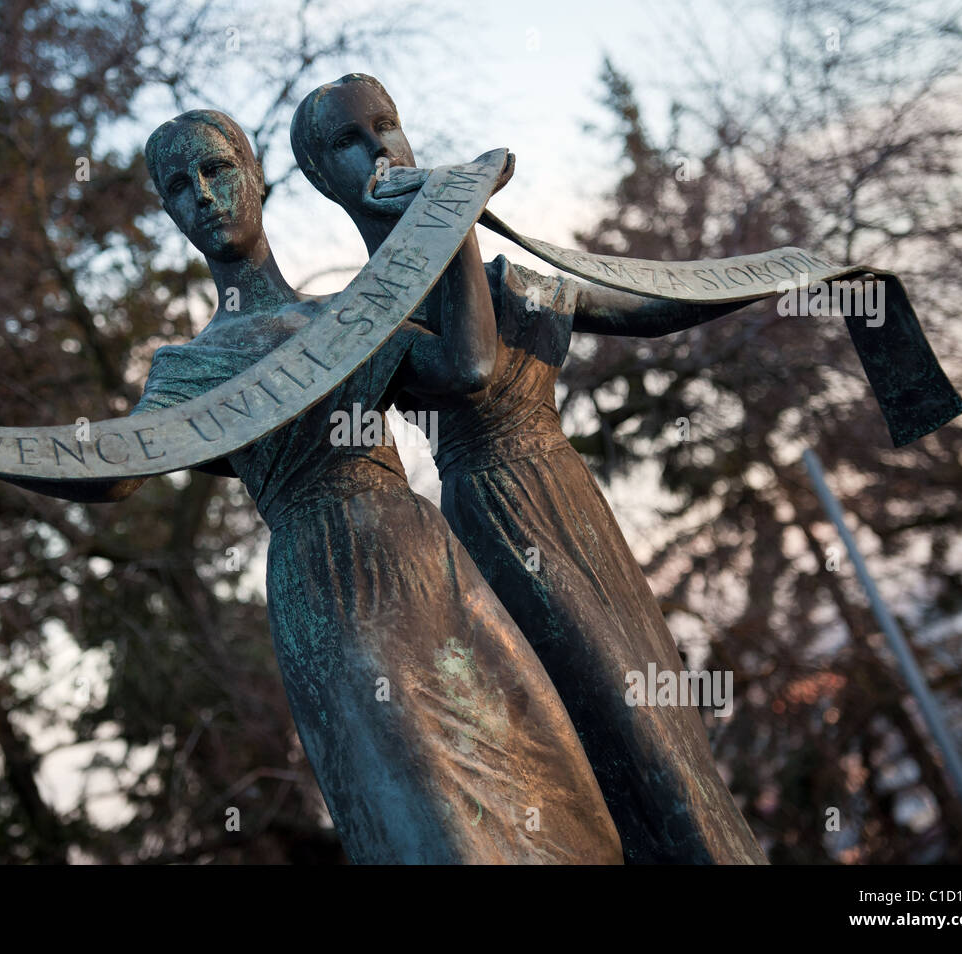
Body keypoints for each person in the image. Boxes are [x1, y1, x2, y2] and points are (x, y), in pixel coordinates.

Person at [291, 74, 766, 863]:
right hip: (501, 522)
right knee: (630, 738)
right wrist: (456, 218)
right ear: (321, 177)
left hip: (572, 500)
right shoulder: (361, 322)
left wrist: (777, 274)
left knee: (675, 744)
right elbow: (470, 367)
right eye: (349, 140)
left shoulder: (516, 281)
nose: (380, 147)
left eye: (387, 125)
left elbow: (647, 304)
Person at [131, 109, 623, 863]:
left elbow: (466, 368)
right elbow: (114, 471)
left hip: (424, 553)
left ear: (255, 175)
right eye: (178, 186)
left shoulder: (349, 315)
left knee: (553, 789)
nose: (202, 195)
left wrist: (448, 219)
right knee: (432, 812)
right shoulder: (184, 371)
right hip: (328, 580)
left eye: (216, 171)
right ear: (168, 212)